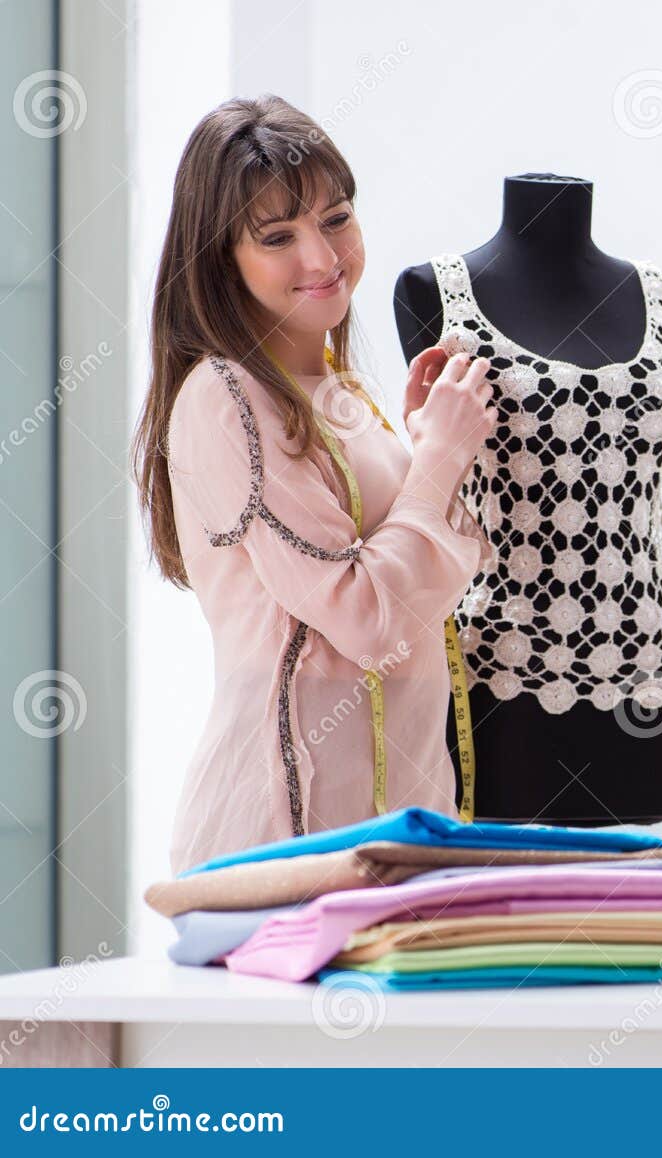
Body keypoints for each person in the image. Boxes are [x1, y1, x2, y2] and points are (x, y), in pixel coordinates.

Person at [132, 95, 496, 873]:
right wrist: (437, 463)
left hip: (393, 838)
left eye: (336, 218)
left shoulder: (341, 391)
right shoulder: (227, 395)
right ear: (218, 257)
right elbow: (370, 619)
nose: (323, 258)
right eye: (277, 237)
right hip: (283, 846)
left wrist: (431, 444)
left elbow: (427, 587)